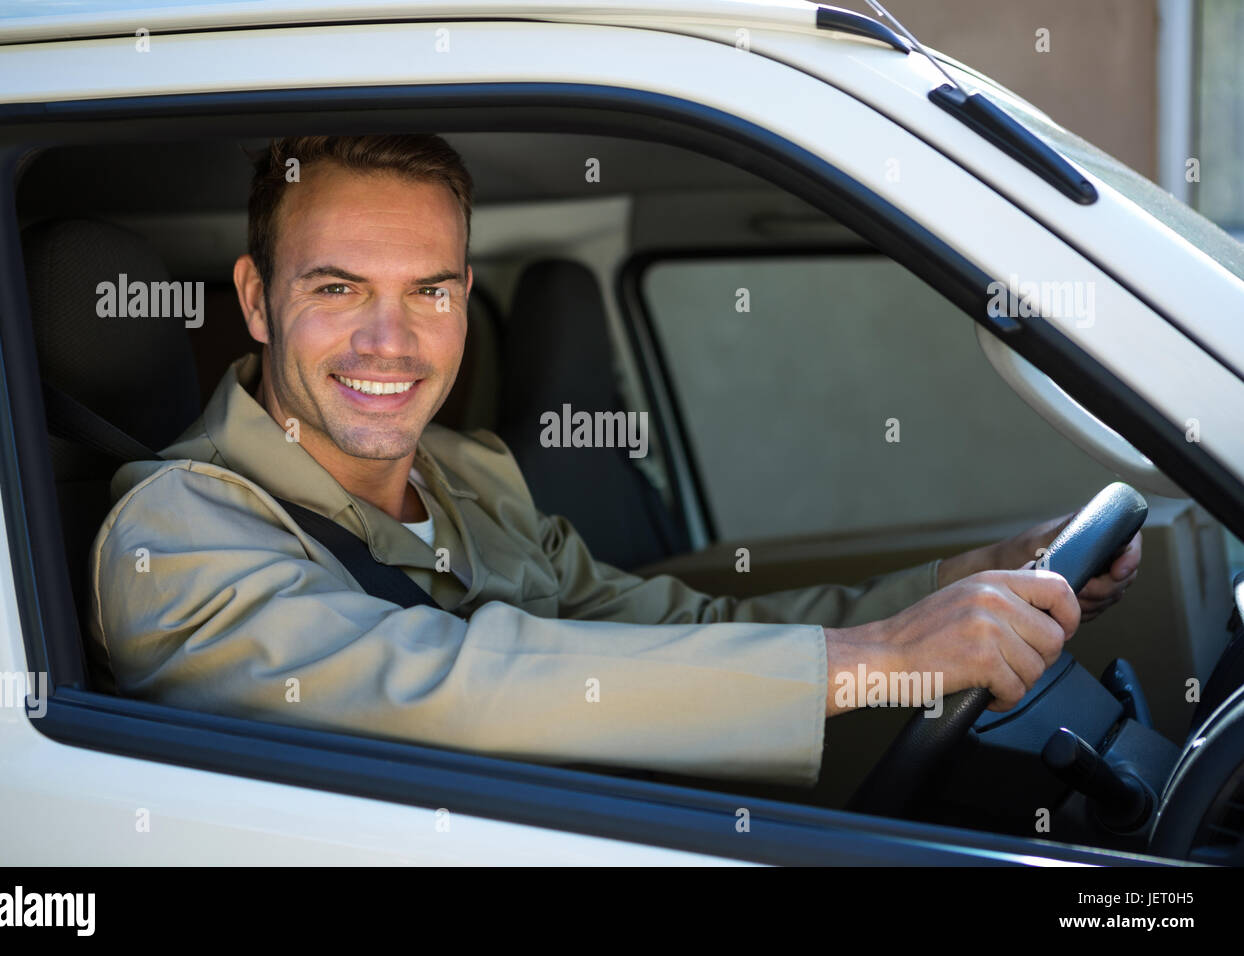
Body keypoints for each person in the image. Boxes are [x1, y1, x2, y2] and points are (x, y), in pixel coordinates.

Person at [87, 134, 1140, 788]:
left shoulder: (468, 477)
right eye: (336, 288)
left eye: (430, 290)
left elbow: (675, 627)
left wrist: (952, 591)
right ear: (257, 299)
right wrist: (871, 660)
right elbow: (454, 686)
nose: (389, 343)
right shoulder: (175, 533)